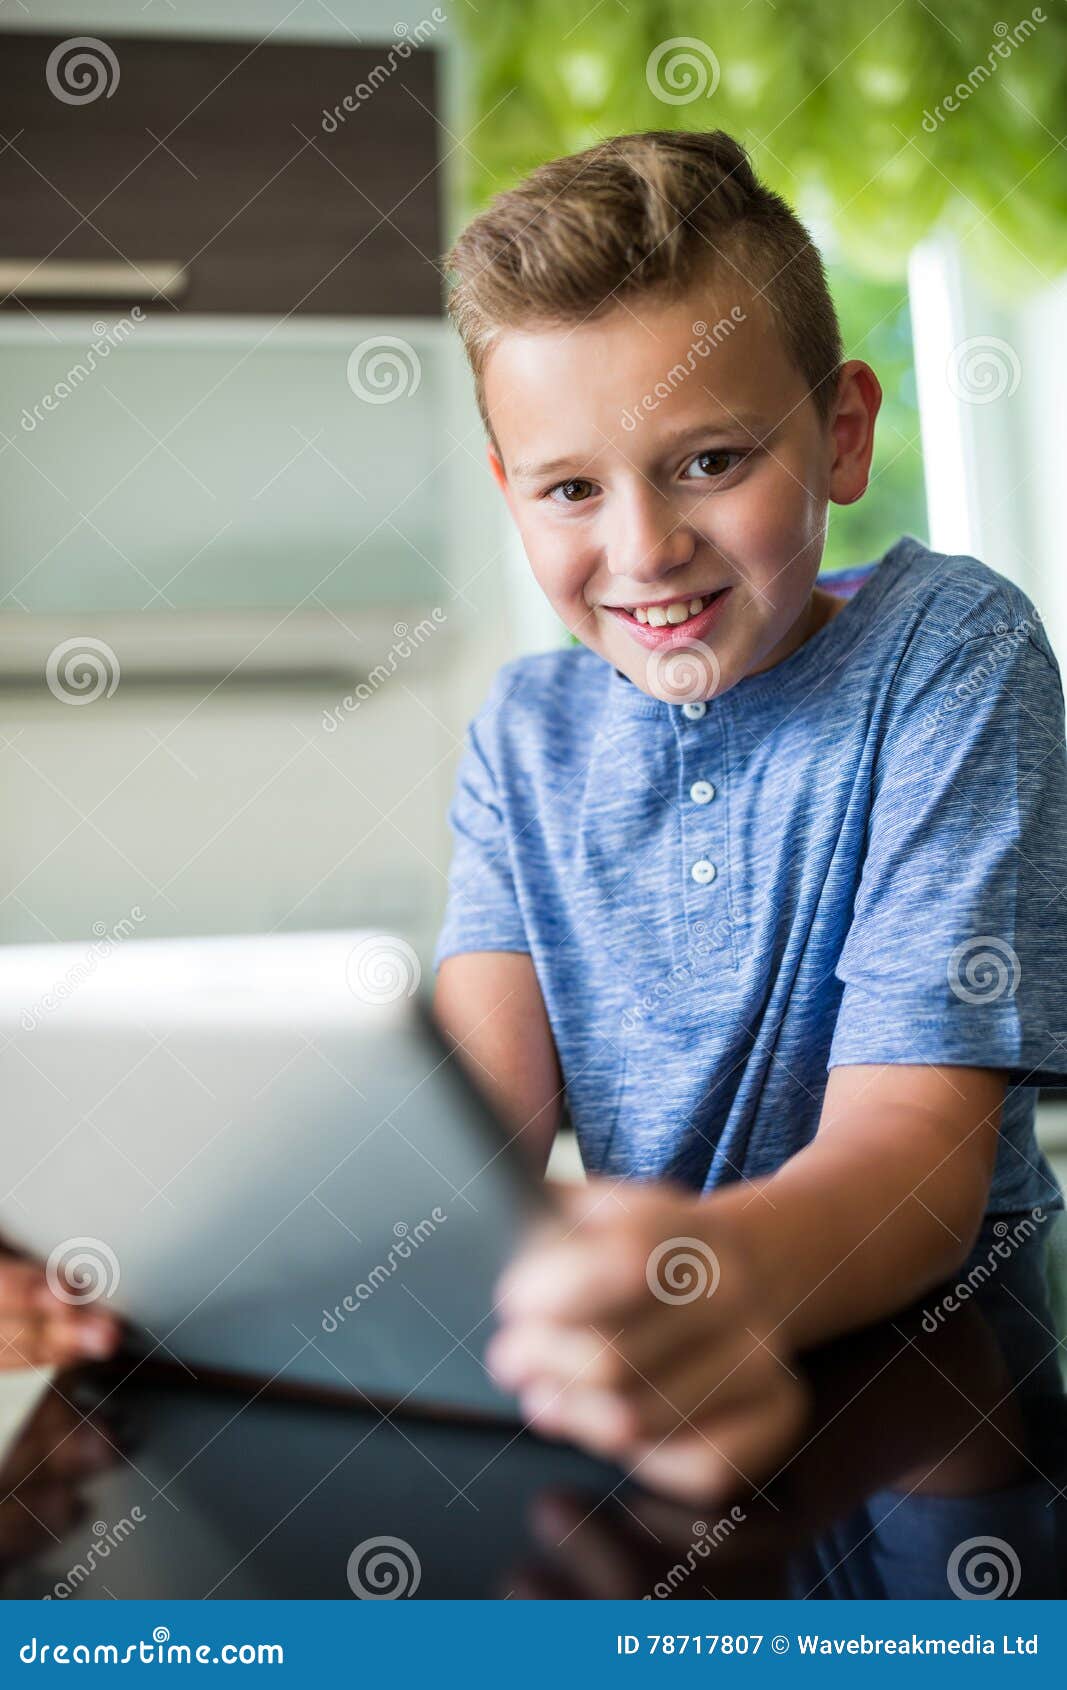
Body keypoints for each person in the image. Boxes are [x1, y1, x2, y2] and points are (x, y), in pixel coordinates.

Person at [431, 128, 1067, 1502]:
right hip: (633, 1370)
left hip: (937, 1384)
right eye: (571, 490)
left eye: (710, 460)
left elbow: (917, 1164)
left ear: (843, 433)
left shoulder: (949, 653)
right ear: (510, 493)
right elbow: (464, 1138)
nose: (645, 548)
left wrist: (695, 1273)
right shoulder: (524, 735)